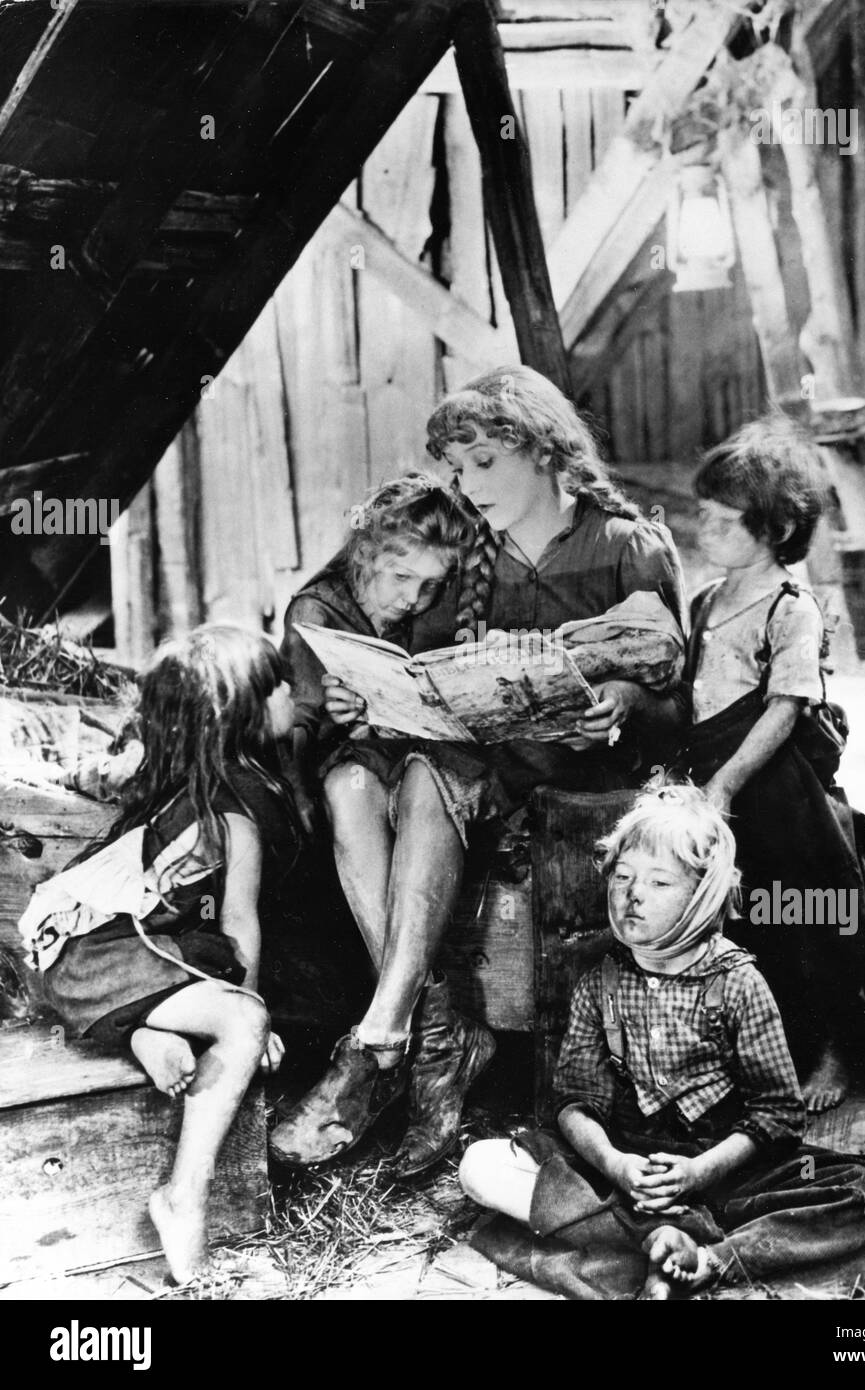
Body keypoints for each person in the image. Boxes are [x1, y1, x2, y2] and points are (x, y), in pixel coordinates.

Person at [270, 365, 688, 1177]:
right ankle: (425, 1037)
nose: (465, 483)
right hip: (479, 762)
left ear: (544, 448)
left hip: (578, 775)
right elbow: (411, 655)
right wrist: (369, 700)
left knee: (429, 774)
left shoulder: (625, 545)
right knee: (369, 778)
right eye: (457, 468)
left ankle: (397, 1044)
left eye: (483, 463)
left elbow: (681, 708)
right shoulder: (468, 553)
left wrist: (627, 700)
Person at [458, 784, 865, 1301]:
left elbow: (777, 1115)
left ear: (701, 897)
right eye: (623, 877)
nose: (632, 895)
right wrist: (615, 1165)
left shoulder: (738, 983)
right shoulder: (600, 982)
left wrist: (698, 1172)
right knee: (481, 1167)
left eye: (658, 882)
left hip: (726, 1176)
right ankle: (662, 1247)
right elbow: (574, 1103)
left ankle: (708, 1258)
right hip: (624, 1174)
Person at [671, 411, 865, 1112]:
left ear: (773, 531)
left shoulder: (789, 609)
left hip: (775, 788)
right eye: (701, 515)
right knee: (735, 919)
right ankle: (751, 1046)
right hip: (710, 771)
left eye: (722, 519)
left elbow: (785, 708)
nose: (703, 530)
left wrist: (726, 784)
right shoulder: (708, 600)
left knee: (804, 915)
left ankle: (832, 1048)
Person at [18, 625, 302, 1284]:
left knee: (207, 966)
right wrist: (253, 1017)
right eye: (281, 680)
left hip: (86, 956)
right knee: (240, 1014)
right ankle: (183, 1200)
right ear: (249, 711)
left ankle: (147, 1030)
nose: (296, 690)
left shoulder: (175, 777)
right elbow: (240, 925)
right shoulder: (235, 809)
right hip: (104, 954)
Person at [280, 472, 475, 830]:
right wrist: (332, 718)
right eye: (401, 577)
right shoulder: (317, 613)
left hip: (421, 763)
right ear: (366, 555)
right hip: (348, 775)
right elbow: (297, 726)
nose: (414, 599)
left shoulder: (438, 609)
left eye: (431, 584)